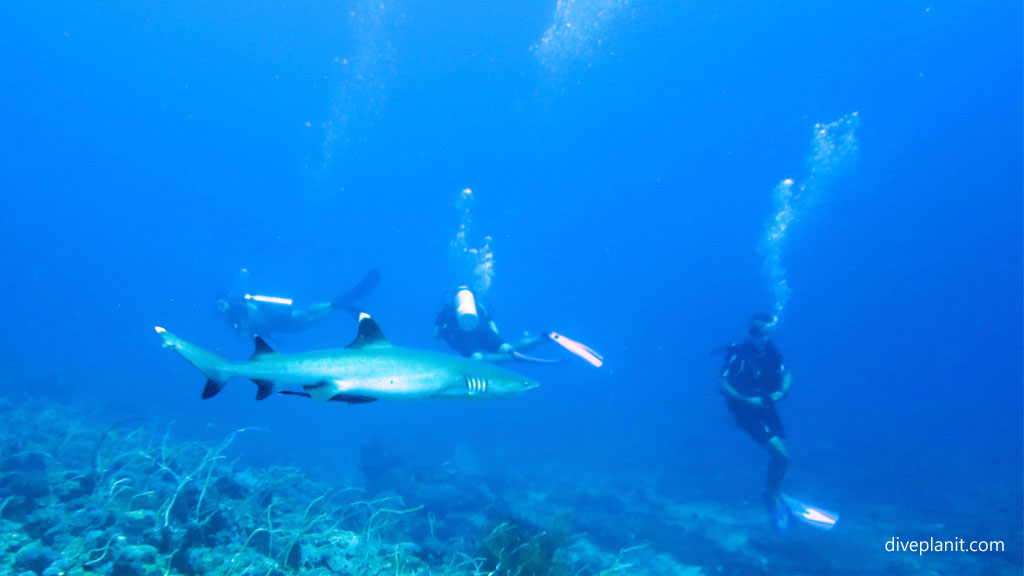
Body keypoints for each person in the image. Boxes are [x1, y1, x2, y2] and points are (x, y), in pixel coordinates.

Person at [718, 312, 792, 532]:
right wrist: (747, 400)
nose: (758, 337)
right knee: (780, 454)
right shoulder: (738, 354)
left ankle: (774, 491)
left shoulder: (773, 352)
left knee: (783, 455)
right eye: (754, 331)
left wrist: (781, 392)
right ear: (749, 331)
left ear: (770, 333)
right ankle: (771, 497)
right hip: (746, 412)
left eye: (764, 332)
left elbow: (786, 373)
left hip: (767, 407)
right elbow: (721, 385)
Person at [217, 269, 379, 340]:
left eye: (221, 303)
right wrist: (243, 331)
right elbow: (241, 335)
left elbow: (251, 309)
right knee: (305, 325)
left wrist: (246, 323)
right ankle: (339, 305)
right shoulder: (230, 321)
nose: (221, 308)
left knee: (303, 314)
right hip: (273, 326)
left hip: (272, 314)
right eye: (219, 307)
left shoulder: (238, 304)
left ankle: (336, 302)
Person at [434, 287, 545, 363]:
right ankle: (542, 339)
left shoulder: (447, 308)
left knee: (478, 360)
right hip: (484, 330)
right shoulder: (480, 306)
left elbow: (436, 335)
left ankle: (508, 359)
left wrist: (452, 339)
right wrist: (494, 341)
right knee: (508, 348)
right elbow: (494, 329)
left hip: (462, 334)